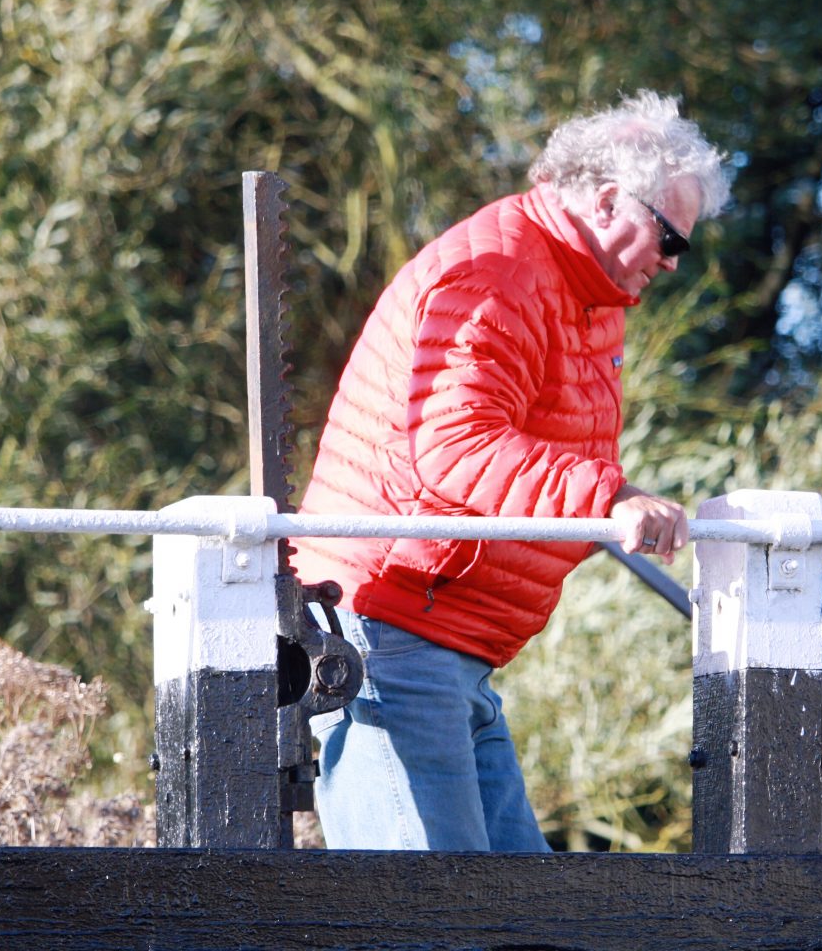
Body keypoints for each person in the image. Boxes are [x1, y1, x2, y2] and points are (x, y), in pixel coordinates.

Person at [292, 91, 731, 851]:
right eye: (670, 239)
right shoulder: (500, 274)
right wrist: (611, 498)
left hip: (446, 646)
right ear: (604, 202)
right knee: (434, 923)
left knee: (522, 914)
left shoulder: (581, 291)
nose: (670, 261)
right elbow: (456, 444)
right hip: (390, 633)